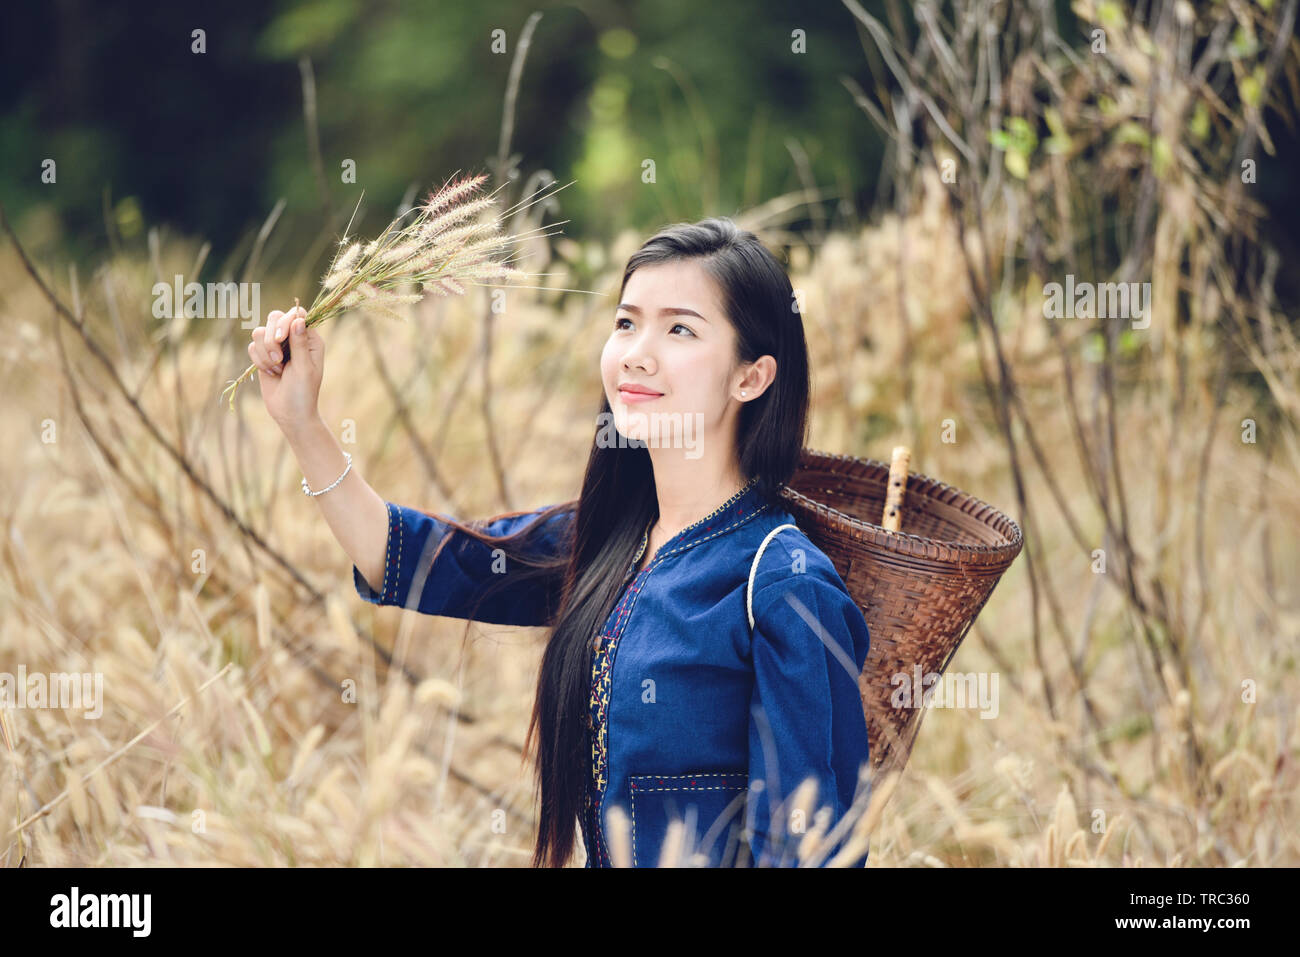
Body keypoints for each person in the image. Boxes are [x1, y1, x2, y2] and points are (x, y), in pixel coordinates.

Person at [247, 217, 872, 868]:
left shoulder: (780, 582)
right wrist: (302, 424)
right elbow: (422, 560)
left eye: (680, 328)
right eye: (627, 323)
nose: (636, 351)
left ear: (752, 376)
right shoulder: (608, 538)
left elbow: (811, 848)